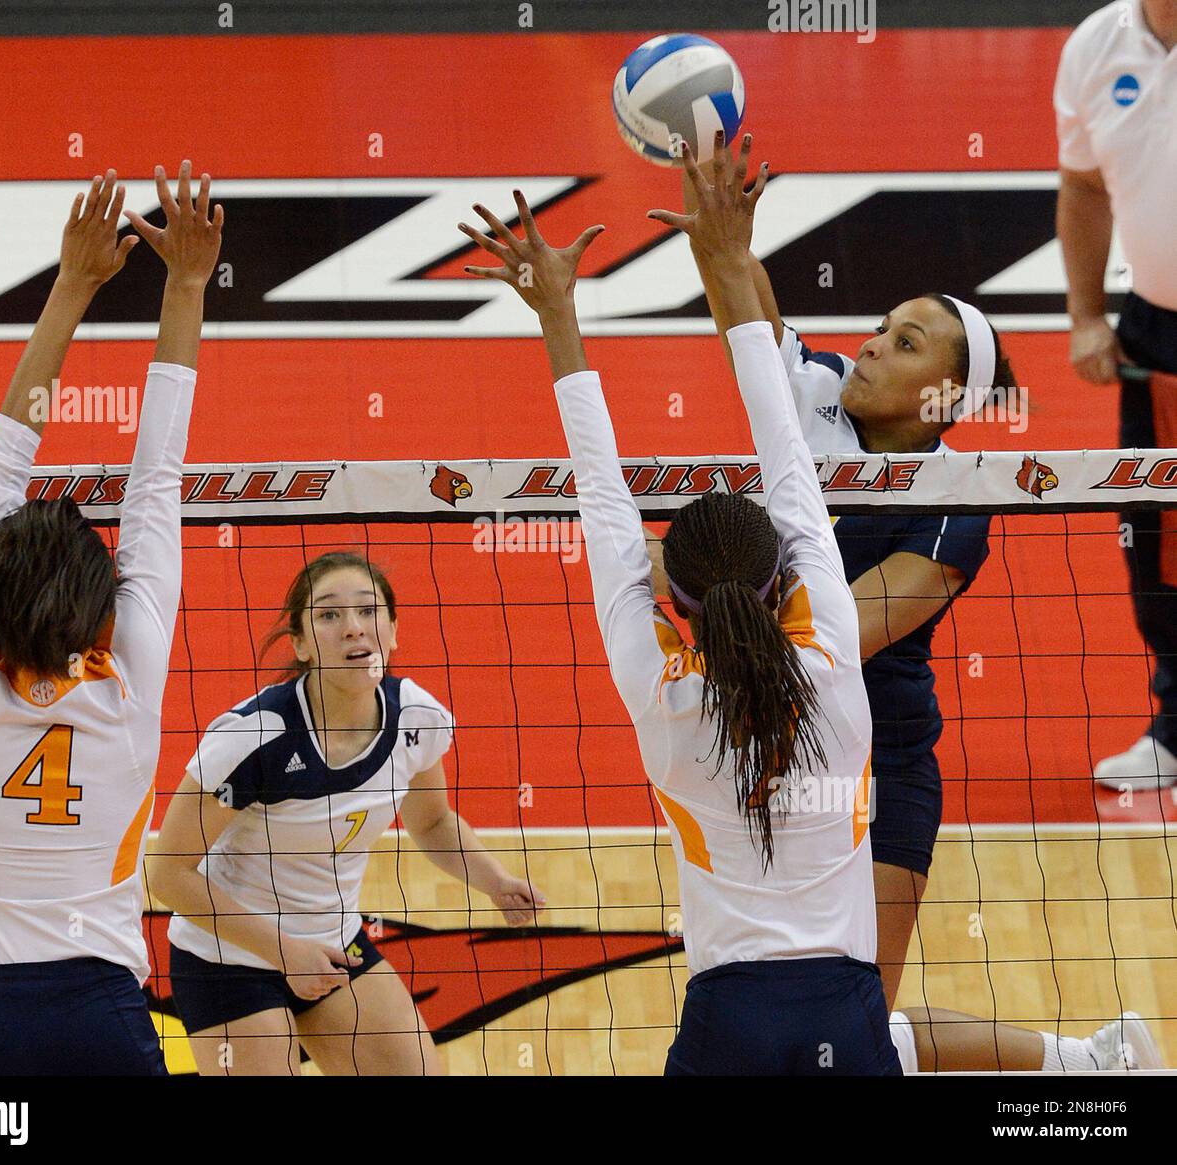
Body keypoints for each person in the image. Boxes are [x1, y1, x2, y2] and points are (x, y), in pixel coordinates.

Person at [671, 134, 1161, 1072]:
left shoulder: (952, 507)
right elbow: (742, 304)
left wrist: (688, 592)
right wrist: (718, 227)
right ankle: (1082, 1062)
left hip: (878, 765)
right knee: (814, 1026)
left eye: (906, 341)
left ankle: (1080, 1068)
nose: (870, 341)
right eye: (883, 323)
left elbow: (839, 636)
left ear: (944, 396)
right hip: (766, 751)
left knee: (854, 1025)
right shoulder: (813, 394)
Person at [462, 138, 899, 1075]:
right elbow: (783, 438)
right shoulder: (832, 650)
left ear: (673, 601)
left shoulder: (661, 695)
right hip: (850, 1009)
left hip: (729, 1017)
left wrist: (557, 315)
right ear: (784, 578)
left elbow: (601, 489)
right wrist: (731, 259)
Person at [0, 162, 223, 1074]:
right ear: (101, 611)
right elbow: (156, 481)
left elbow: (4, 456)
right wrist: (183, 285)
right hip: (103, 1014)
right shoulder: (123, 685)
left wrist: (70, 283)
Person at [150, 551, 544, 1076]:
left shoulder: (418, 718)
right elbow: (168, 874)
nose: (354, 628)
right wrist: (285, 952)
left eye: (368, 611)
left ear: (393, 630)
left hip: (333, 945)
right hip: (229, 957)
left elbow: (432, 823)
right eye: (329, 615)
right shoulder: (253, 736)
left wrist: (494, 880)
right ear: (301, 644)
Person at [1056, 0, 1177, 790]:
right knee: (1159, 540)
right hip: (1158, 332)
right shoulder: (1097, 46)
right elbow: (1085, 187)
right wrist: (1088, 316)